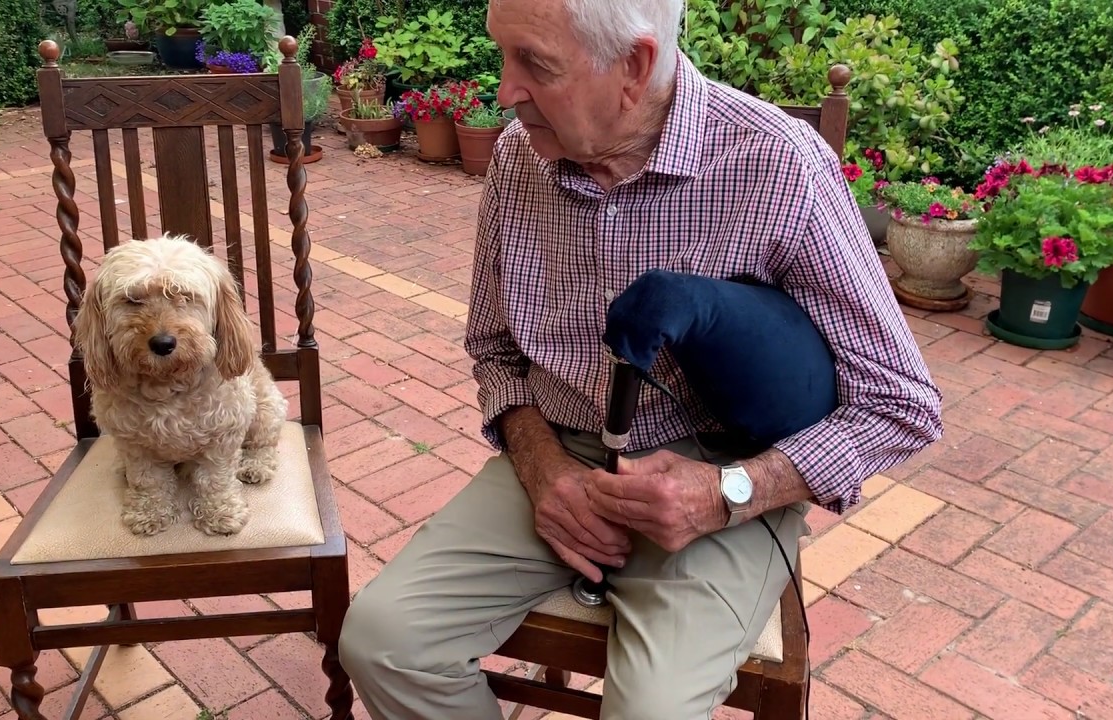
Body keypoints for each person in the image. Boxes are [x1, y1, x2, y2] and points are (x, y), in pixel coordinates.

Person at [337, 0, 944, 717]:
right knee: (383, 640)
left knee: (649, 711)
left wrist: (729, 492)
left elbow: (900, 403)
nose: (503, 90)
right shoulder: (517, 155)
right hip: (560, 447)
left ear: (635, 66)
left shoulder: (777, 164)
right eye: (503, 54)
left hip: (727, 474)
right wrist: (542, 467)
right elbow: (495, 348)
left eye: (535, 62)